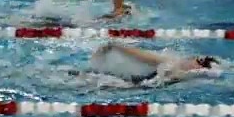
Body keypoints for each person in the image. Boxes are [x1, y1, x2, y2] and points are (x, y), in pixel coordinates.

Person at [83, 41, 222, 85]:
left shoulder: (180, 71)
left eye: (197, 60)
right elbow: (143, 57)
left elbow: (142, 56)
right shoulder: (170, 63)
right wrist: (115, 46)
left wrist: (116, 46)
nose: (191, 59)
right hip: (119, 83)